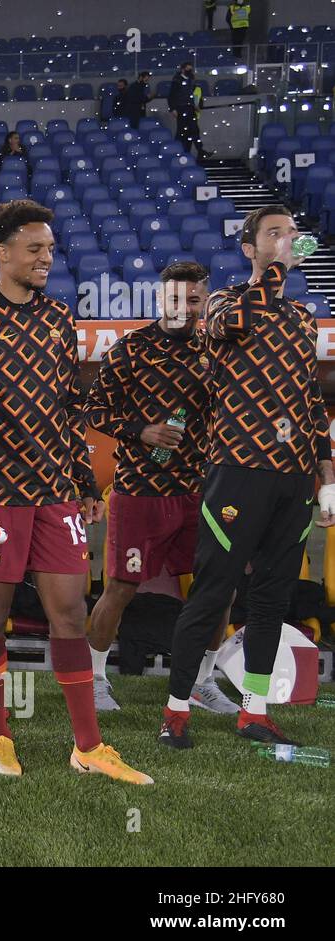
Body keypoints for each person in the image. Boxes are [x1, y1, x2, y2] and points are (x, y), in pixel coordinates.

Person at [0, 199, 153, 785]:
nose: (46, 258)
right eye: (35, 249)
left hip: (55, 490)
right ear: (3, 252)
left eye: (50, 249)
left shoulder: (59, 318)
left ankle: (88, 746)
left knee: (70, 613)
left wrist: (83, 480)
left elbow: (68, 406)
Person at [159, 205, 335, 749]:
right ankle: (176, 712)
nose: (286, 242)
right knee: (213, 594)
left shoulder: (305, 319)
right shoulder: (225, 304)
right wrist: (280, 263)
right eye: (273, 235)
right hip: (237, 471)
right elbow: (242, 318)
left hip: (293, 476)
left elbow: (311, 402)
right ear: (248, 249)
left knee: (272, 600)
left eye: (292, 235)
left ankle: (254, 710)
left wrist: (326, 477)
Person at [83, 261, 237, 714]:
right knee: (120, 589)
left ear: (205, 301)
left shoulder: (218, 350)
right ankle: (93, 679)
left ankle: (201, 683)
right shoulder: (131, 349)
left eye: (193, 299)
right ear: (158, 300)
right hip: (140, 491)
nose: (183, 308)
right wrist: (141, 431)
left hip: (200, 490)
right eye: (175, 299)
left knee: (218, 589)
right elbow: (94, 411)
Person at [169, 62, 210, 161]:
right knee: (182, 132)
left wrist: (195, 105)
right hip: (181, 108)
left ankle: (199, 151)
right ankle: (179, 152)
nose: (189, 71)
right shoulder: (177, 80)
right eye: (188, 69)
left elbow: (191, 95)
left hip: (190, 108)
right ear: (183, 69)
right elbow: (171, 96)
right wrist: (173, 109)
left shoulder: (191, 80)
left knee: (194, 130)